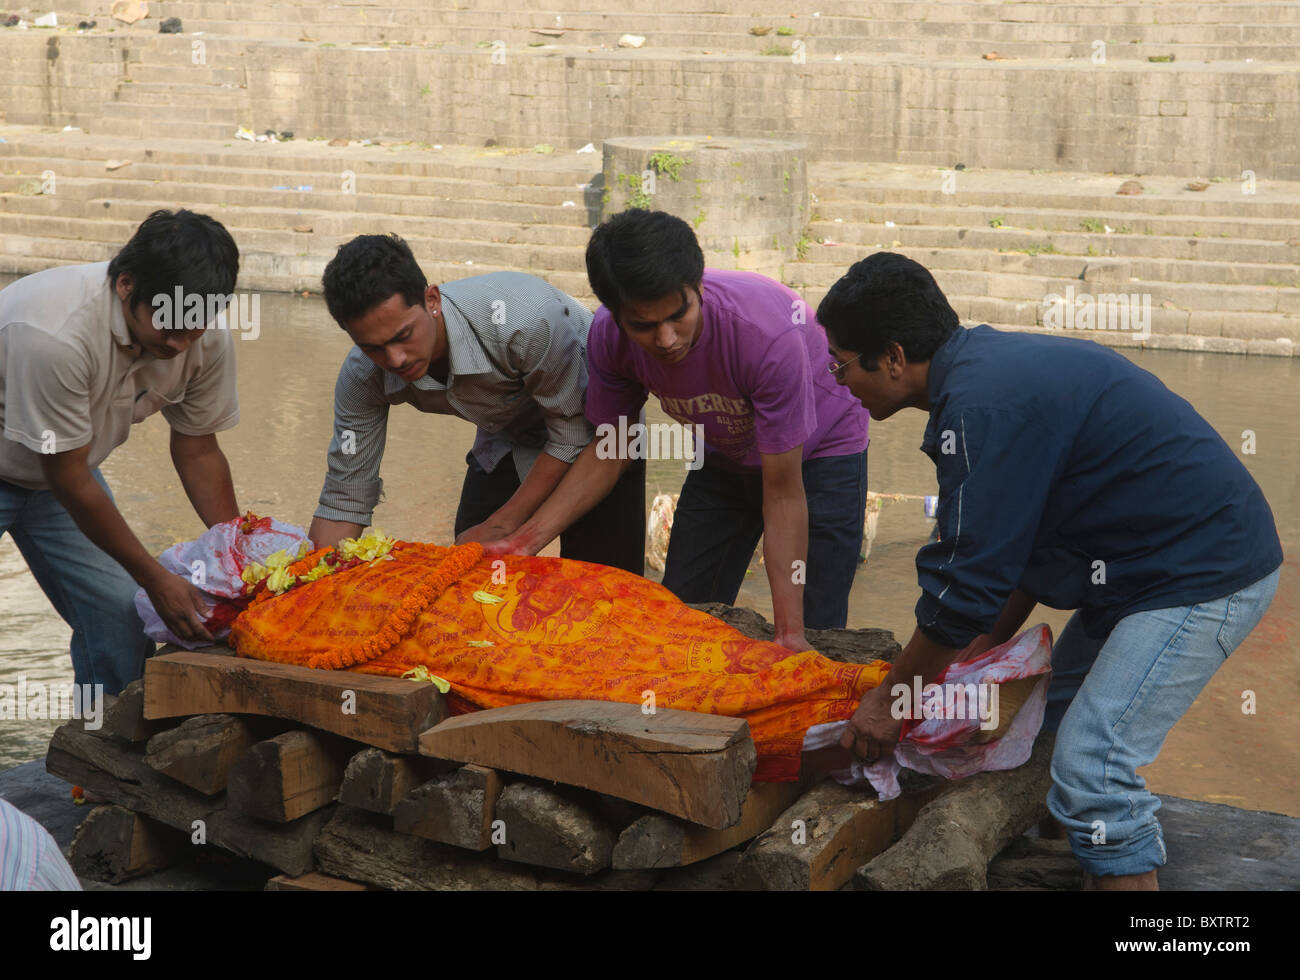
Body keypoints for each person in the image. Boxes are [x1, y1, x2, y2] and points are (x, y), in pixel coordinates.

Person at [820, 251, 1282, 890]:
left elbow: (964, 588)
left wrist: (894, 699)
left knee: (1095, 765)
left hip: (1201, 572)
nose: (839, 380)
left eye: (840, 364)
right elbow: (1011, 561)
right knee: (1044, 737)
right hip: (1135, 569)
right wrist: (958, 668)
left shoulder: (981, 410)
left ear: (893, 357)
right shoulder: (982, 378)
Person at [486, 210, 870, 651]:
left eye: (678, 315)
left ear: (699, 286)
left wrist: (788, 635)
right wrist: (525, 541)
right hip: (723, 455)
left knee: (816, 627)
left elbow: (782, 493)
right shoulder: (609, 339)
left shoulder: (764, 336)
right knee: (681, 617)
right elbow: (612, 450)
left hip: (821, 452)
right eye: (644, 326)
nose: (666, 340)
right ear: (615, 314)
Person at [0, 210, 244, 693]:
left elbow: (197, 449)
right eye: (166, 327)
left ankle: (99, 751)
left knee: (120, 614)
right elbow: (68, 476)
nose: (179, 344)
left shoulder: (205, 339)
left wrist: (239, 557)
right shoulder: (56, 335)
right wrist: (155, 577)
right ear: (126, 285)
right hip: (59, 473)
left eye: (192, 327)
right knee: (146, 590)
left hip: (66, 477)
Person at [308, 234, 644, 571]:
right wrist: (307, 582)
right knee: (468, 575)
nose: (395, 359)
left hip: (601, 434)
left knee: (601, 587)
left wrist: (505, 527)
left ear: (432, 299)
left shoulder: (524, 321)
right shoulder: (361, 376)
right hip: (507, 430)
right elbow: (344, 498)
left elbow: (571, 435)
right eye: (373, 347)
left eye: (404, 336)